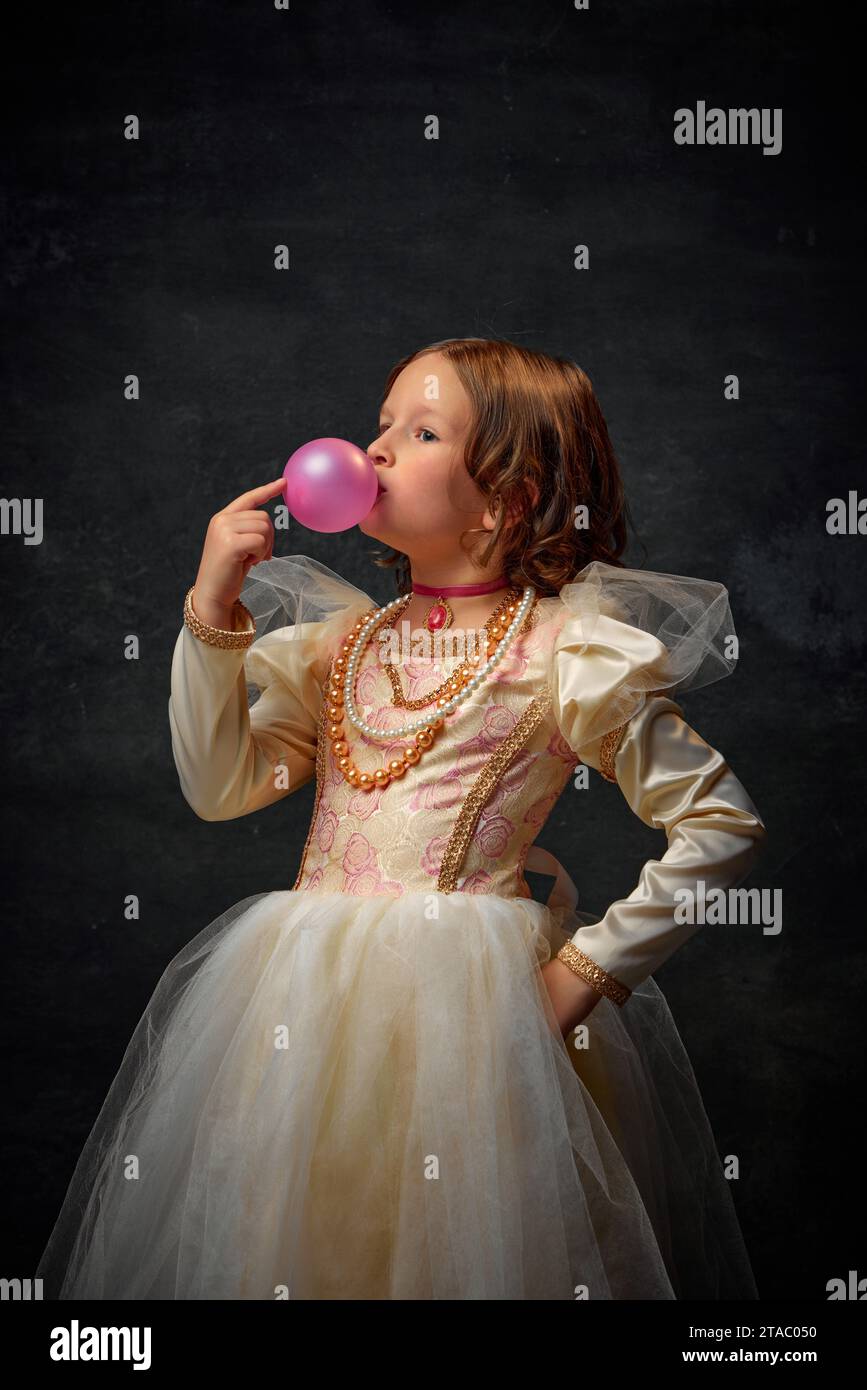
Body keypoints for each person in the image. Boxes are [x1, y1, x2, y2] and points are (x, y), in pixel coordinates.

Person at [37, 336, 766, 1299]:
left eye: (418, 433)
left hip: (467, 1015)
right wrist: (211, 610)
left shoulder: (564, 655)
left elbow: (720, 824)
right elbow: (221, 789)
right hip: (294, 1009)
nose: (371, 451)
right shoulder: (338, 642)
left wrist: (585, 974)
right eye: (379, 425)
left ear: (508, 495)